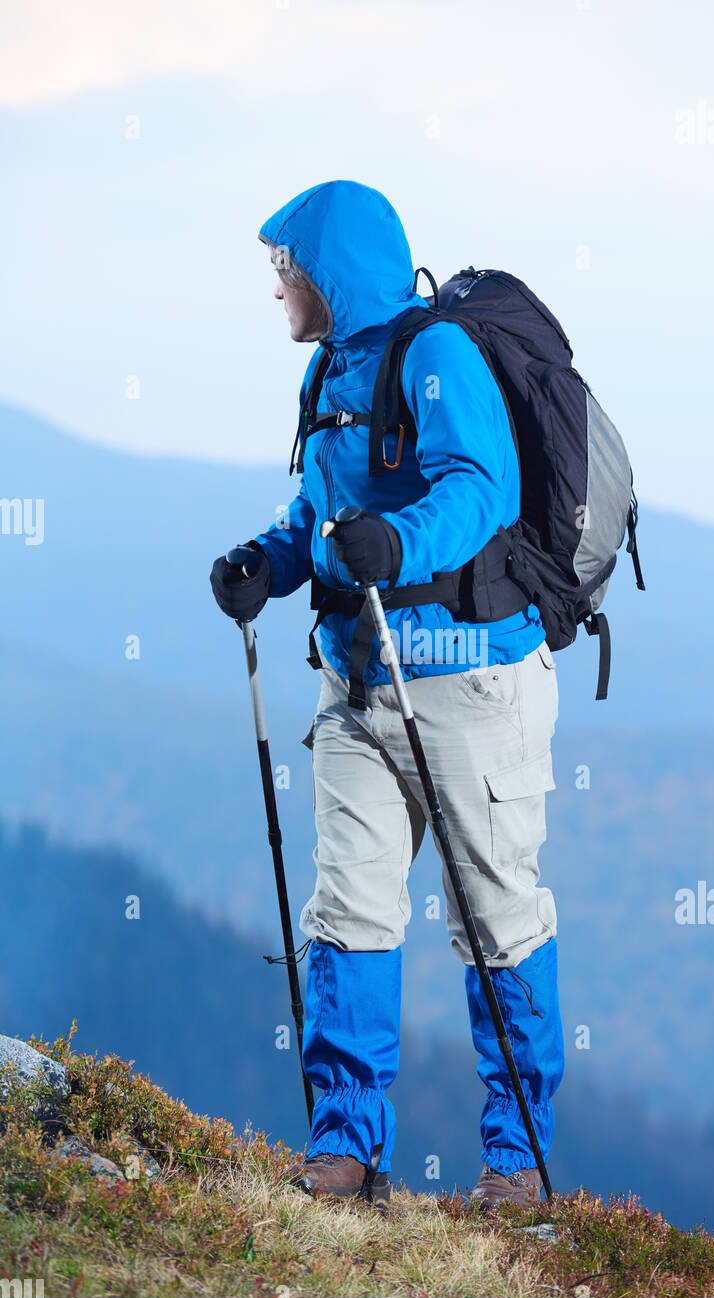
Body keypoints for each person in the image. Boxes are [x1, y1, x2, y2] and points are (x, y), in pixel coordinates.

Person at [211, 180, 564, 1208]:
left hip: (472, 682)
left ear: (330, 272)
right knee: (349, 911)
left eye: (286, 271)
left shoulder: (436, 354)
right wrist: (270, 562)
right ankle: (345, 1151)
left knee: (497, 921)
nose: (277, 291)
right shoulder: (332, 370)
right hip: (361, 683)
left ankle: (518, 1168)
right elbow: (322, 507)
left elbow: (480, 487)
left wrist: (397, 542)